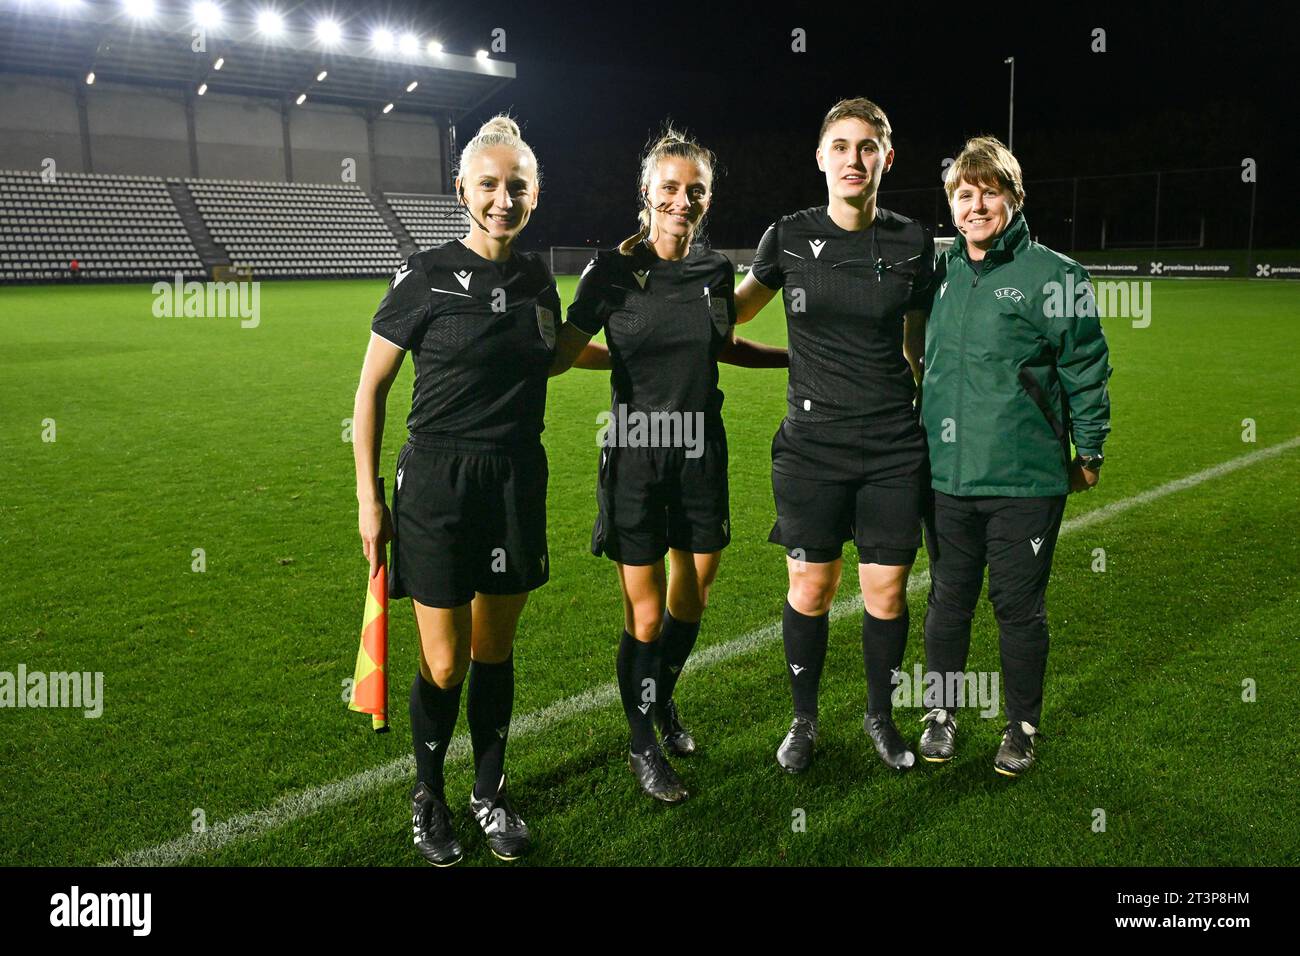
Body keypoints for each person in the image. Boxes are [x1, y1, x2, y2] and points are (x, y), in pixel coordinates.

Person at [551, 127, 787, 802]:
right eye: (670, 188)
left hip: (700, 450)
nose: (682, 201)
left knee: (694, 597)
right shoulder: (610, 272)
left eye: (695, 190)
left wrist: (798, 358)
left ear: (706, 199)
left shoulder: (713, 273)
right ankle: (641, 742)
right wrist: (612, 362)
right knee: (647, 617)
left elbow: (721, 346)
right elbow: (563, 352)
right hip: (636, 455)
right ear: (647, 194)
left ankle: (662, 697)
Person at [352, 115, 560, 864]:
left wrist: (647, 348)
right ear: (463, 190)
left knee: (494, 650)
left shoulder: (539, 279)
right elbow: (371, 389)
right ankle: (430, 796)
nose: (503, 198)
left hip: (513, 477)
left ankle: (490, 791)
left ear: (535, 193)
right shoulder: (422, 273)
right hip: (437, 481)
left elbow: (550, 357)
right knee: (444, 662)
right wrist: (370, 499)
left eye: (517, 186)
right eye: (489, 185)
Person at [733, 97, 936, 773]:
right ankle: (805, 719)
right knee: (811, 591)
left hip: (891, 447)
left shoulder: (913, 241)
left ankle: (881, 718)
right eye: (841, 146)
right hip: (811, 447)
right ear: (821, 158)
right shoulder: (787, 235)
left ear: (886, 157)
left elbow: (920, 351)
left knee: (885, 593)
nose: (854, 158)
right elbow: (724, 320)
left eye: (868, 146)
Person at [917, 135, 1111, 776]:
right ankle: (940, 713)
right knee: (948, 598)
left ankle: (1022, 725)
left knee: (1017, 607)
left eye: (988, 192)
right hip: (945, 475)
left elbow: (1086, 365)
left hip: (1025, 478)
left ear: (1014, 197)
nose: (976, 205)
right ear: (952, 206)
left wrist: (1090, 446)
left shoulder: (1057, 276)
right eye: (963, 194)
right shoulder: (939, 273)